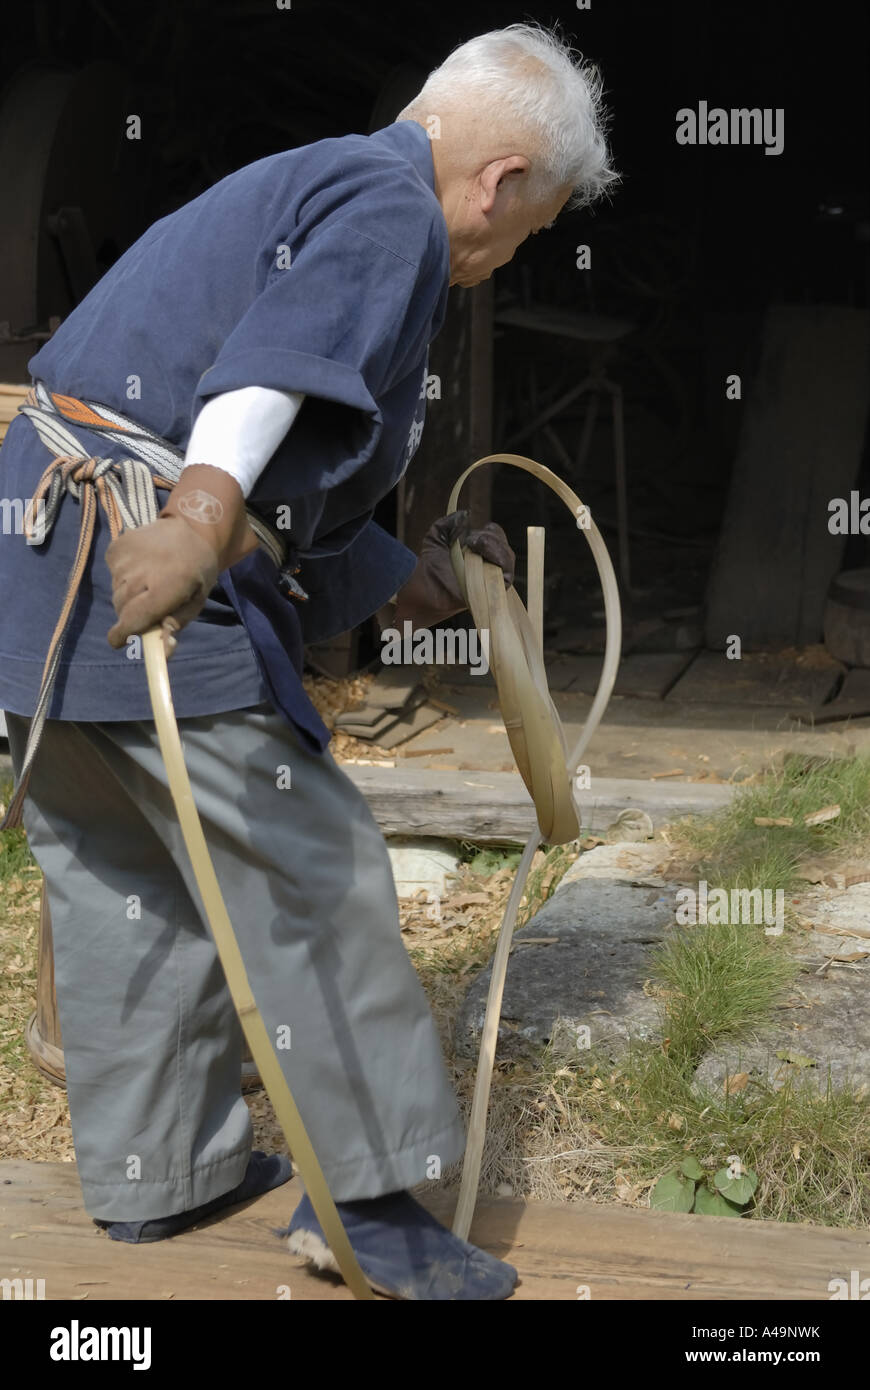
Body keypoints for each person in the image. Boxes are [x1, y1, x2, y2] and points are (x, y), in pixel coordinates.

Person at [0, 23, 616, 1300]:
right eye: (527, 231)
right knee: (312, 867)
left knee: (128, 874)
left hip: (36, 565)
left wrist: (407, 578)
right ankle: (371, 1215)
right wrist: (194, 521)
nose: (503, 263)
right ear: (498, 181)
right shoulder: (392, 207)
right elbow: (258, 384)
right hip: (138, 541)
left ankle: (156, 1177)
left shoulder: (328, 187)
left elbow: (288, 509)